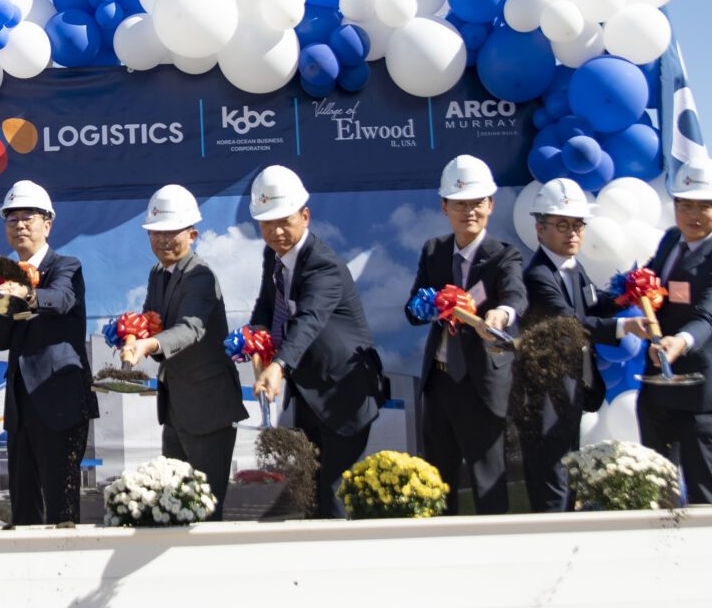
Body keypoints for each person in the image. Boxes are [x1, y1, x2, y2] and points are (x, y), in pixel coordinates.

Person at [246, 164, 383, 519]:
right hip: (308, 392)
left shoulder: (323, 265)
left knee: (331, 491)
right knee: (309, 491)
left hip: (344, 395)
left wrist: (277, 365)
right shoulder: (272, 256)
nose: (276, 231)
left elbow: (309, 321)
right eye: (266, 223)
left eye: (284, 221)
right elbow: (265, 305)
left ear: (305, 216)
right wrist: (255, 341)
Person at [409, 154, 527, 514]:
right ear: (445, 207)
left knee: (488, 478)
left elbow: (515, 297)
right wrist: (425, 306)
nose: (469, 212)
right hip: (441, 381)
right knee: (437, 480)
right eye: (459, 204)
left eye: (476, 203)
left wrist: (500, 316)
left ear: (490, 205)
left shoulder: (504, 255)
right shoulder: (434, 251)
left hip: (483, 385)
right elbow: (411, 309)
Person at [119, 184, 247, 517]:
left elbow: (190, 328)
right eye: (155, 232)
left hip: (208, 409)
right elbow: (151, 319)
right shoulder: (157, 273)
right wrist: (132, 336)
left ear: (193, 234)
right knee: (175, 506)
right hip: (176, 409)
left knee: (204, 509)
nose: (162, 240)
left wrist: (148, 344)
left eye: (171, 232)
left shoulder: (200, 276)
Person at [629, 158, 712, 505]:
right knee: (656, 487)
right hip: (658, 389)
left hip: (701, 397)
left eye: (704, 206)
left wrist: (679, 341)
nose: (693, 214)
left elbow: (709, 317)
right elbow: (645, 282)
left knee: (701, 490)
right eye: (685, 204)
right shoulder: (671, 240)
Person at [0, 179, 92, 525]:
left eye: (27, 217)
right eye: (12, 219)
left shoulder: (66, 266)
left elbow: (59, 299)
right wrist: (5, 296)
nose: (20, 226)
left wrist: (27, 294)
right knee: (25, 509)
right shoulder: (5, 276)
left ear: (47, 224)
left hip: (59, 401)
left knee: (61, 510)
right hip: (19, 408)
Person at [512, 178, 613, 512]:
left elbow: (591, 310)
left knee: (568, 487)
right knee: (552, 492)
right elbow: (571, 324)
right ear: (540, 229)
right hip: (545, 403)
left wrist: (626, 296)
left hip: (572, 395)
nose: (572, 233)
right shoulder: (538, 276)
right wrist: (625, 326)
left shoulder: (576, 269)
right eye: (562, 225)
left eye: (578, 225)